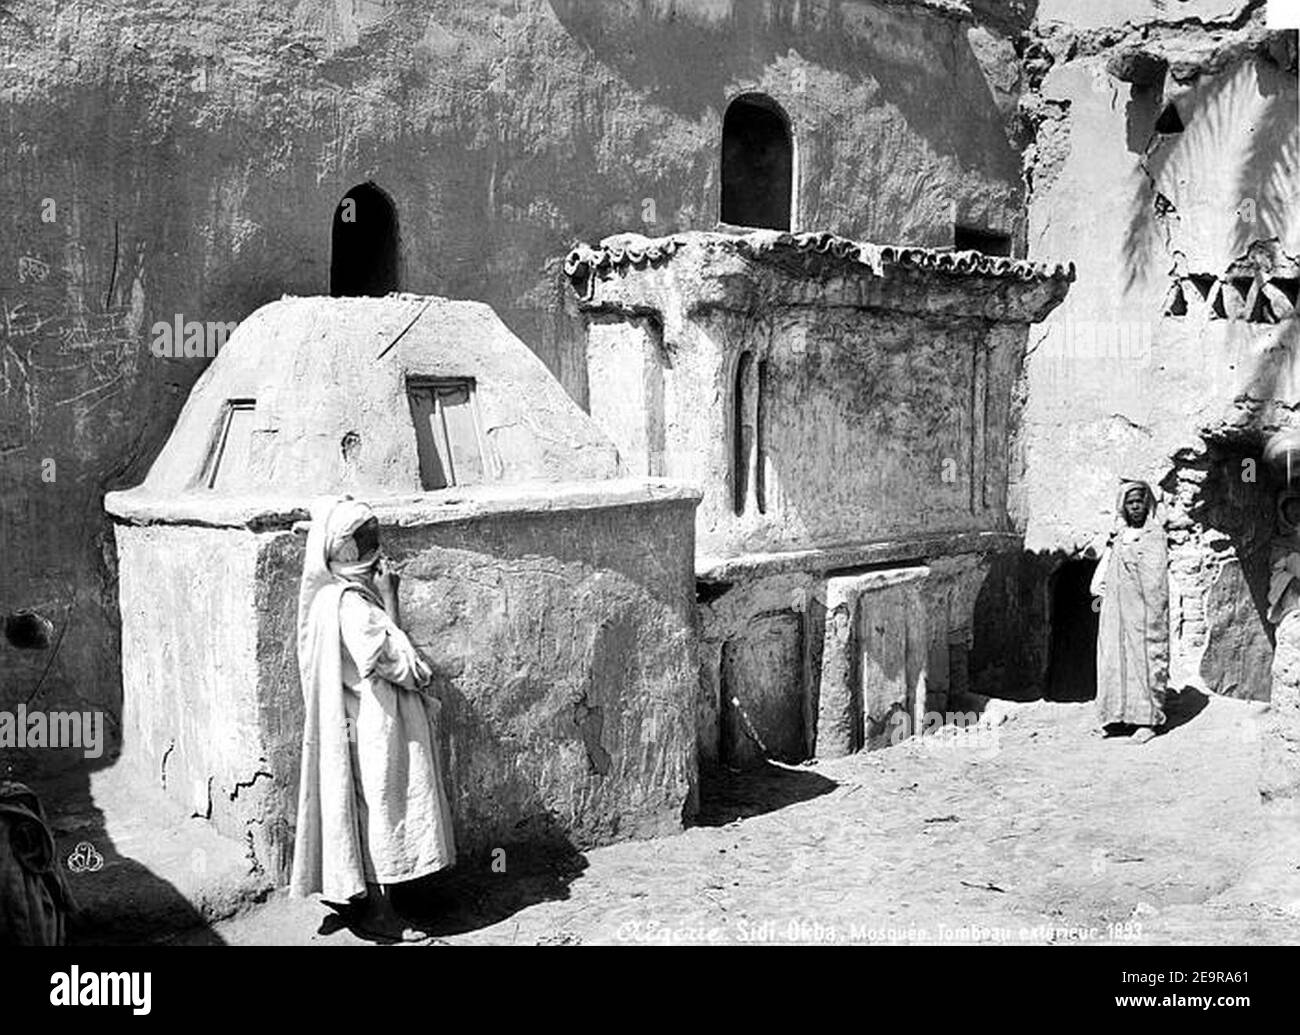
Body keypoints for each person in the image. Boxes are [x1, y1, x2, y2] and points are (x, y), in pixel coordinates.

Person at [290, 496, 455, 940]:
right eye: (365, 541)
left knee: (366, 809)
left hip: (356, 719)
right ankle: (382, 914)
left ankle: (369, 900)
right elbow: (404, 665)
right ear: (345, 551)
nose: (374, 549)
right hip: (376, 725)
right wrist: (390, 597)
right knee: (380, 811)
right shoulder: (355, 607)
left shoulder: (327, 598)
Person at [1089, 479, 1169, 743]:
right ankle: (1119, 715)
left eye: (1139, 502)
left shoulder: (1154, 535)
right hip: (1116, 612)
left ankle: (1147, 721)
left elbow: (1154, 577)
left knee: (1143, 660)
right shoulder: (1119, 536)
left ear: (1147, 505)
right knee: (1114, 657)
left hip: (1143, 613)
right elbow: (1108, 572)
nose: (1135, 507)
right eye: (1130, 503)